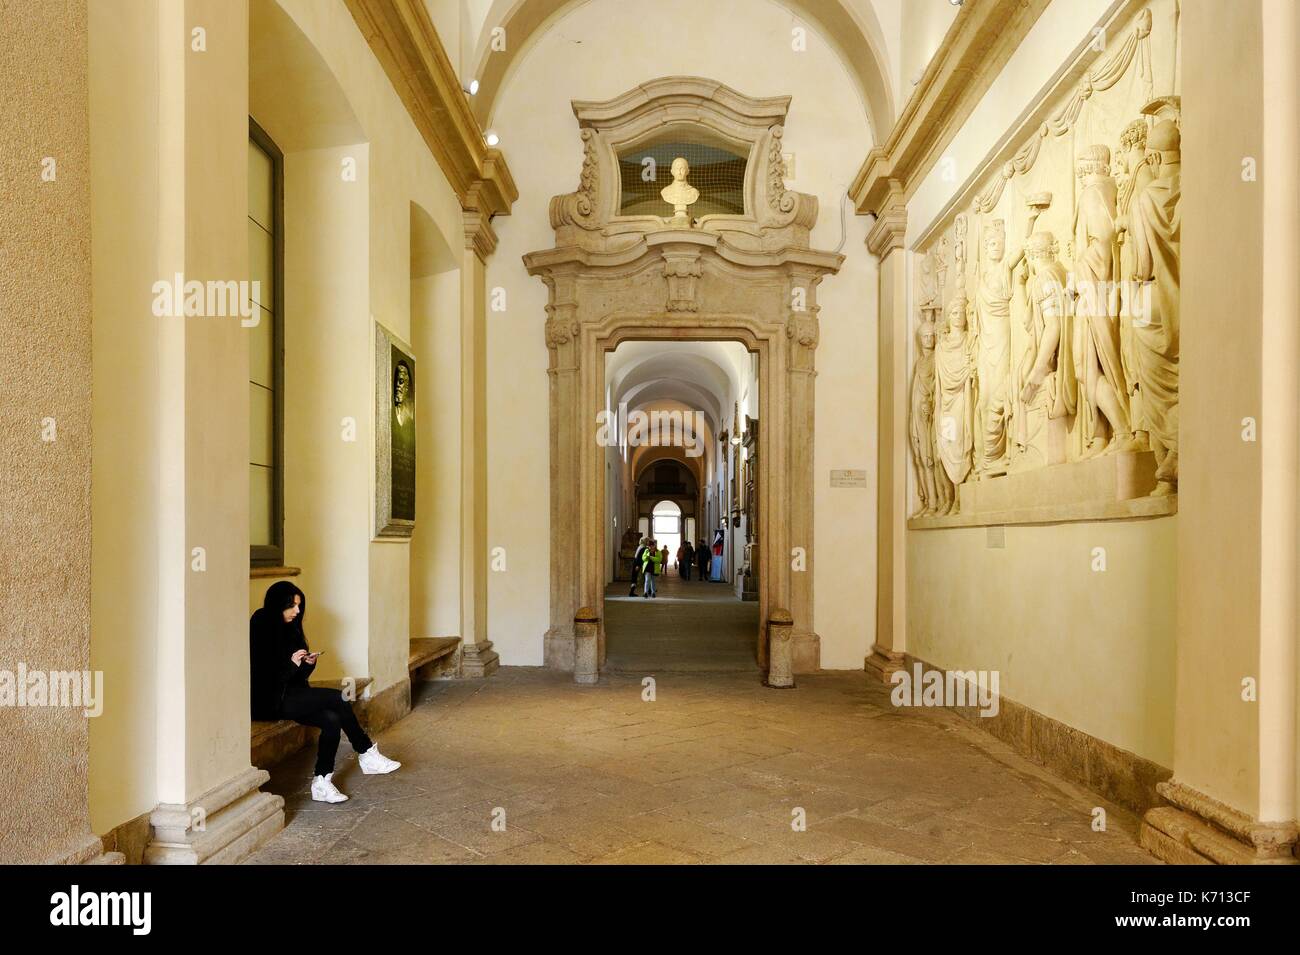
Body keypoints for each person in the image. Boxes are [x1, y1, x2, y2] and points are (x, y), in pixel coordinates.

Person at [250, 581, 401, 804]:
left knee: (331, 719)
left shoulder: (291, 626)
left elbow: (298, 677)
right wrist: (292, 664)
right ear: (277, 604)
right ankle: (366, 752)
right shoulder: (260, 624)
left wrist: (307, 663)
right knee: (338, 698)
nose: (297, 611)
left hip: (292, 694)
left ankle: (321, 781)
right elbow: (262, 676)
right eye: (292, 605)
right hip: (268, 699)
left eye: (299, 605)